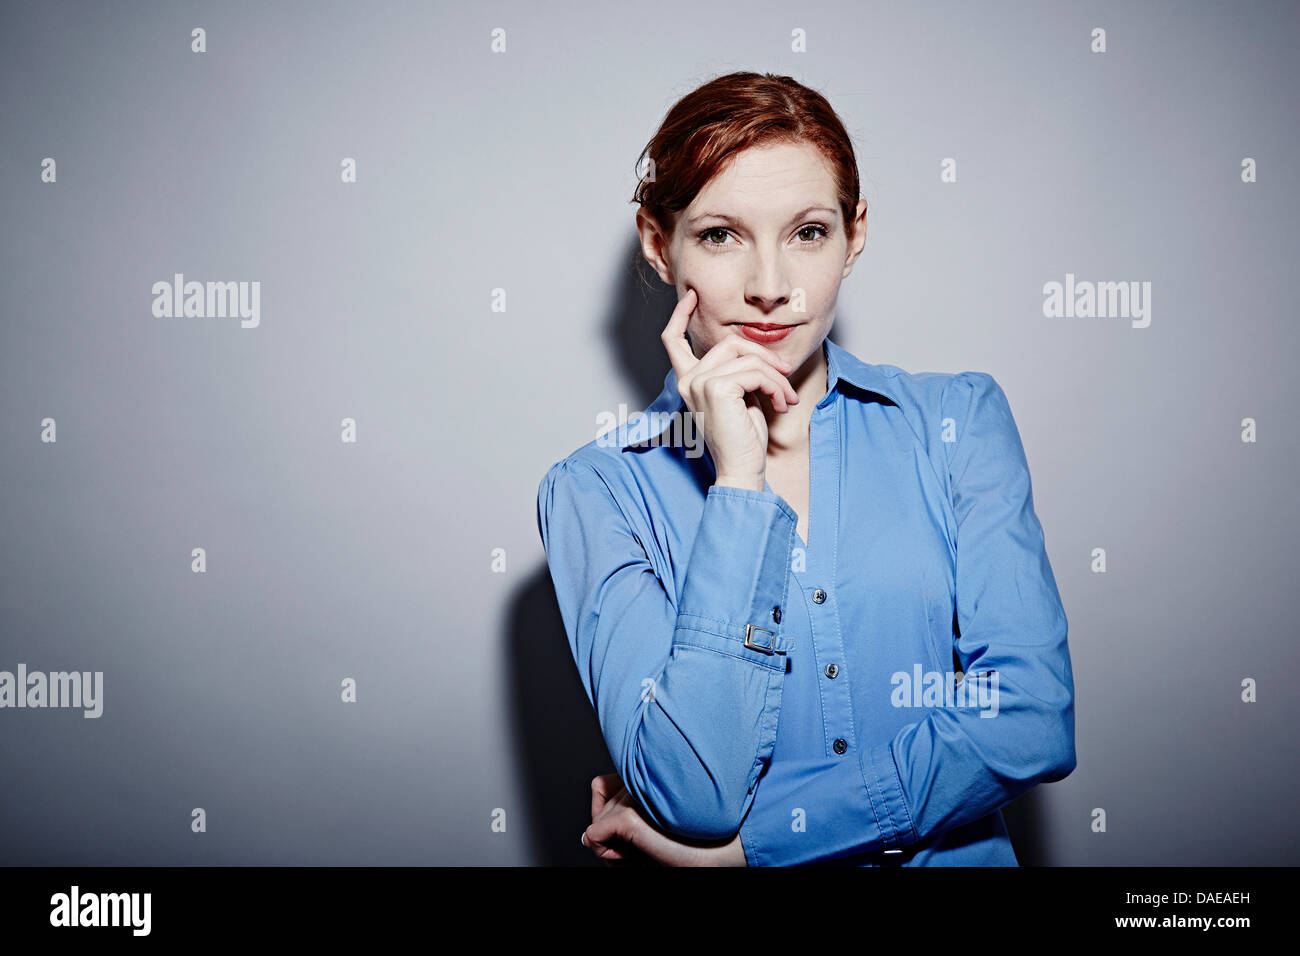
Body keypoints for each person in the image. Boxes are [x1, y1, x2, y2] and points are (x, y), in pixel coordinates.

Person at [536, 71, 1076, 866]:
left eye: (808, 232)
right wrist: (739, 481)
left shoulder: (956, 423)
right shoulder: (596, 490)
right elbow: (695, 791)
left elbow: (1032, 720)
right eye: (721, 235)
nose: (769, 288)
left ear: (854, 236)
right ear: (659, 245)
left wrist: (751, 850)